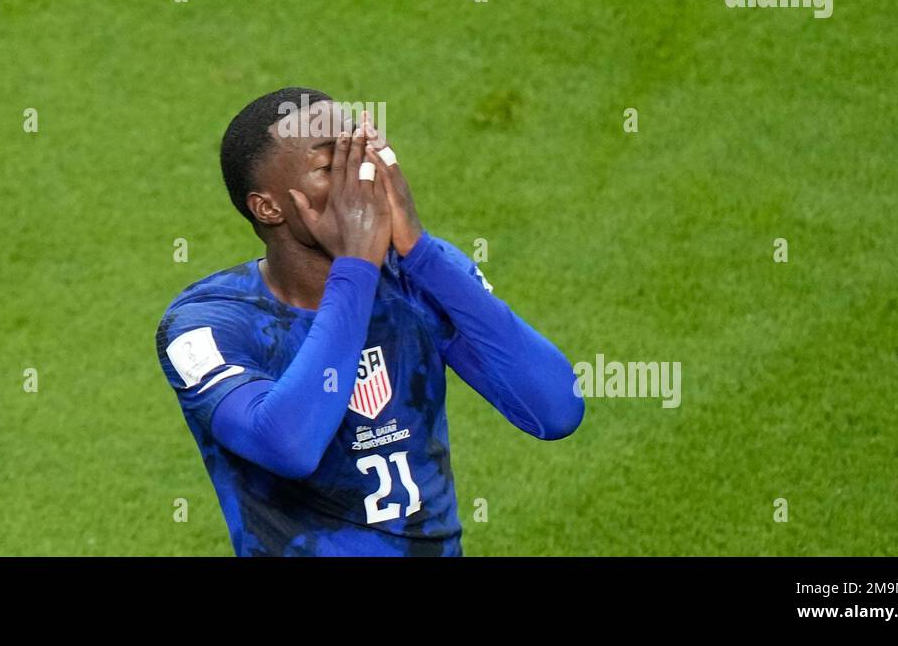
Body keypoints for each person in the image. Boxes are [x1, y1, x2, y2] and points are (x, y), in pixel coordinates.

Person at [155, 87, 585, 555]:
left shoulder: (419, 277)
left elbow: (554, 410)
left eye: (361, 155)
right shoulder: (207, 326)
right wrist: (356, 267)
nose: (359, 181)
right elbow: (289, 446)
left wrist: (420, 251)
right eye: (329, 169)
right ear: (269, 207)